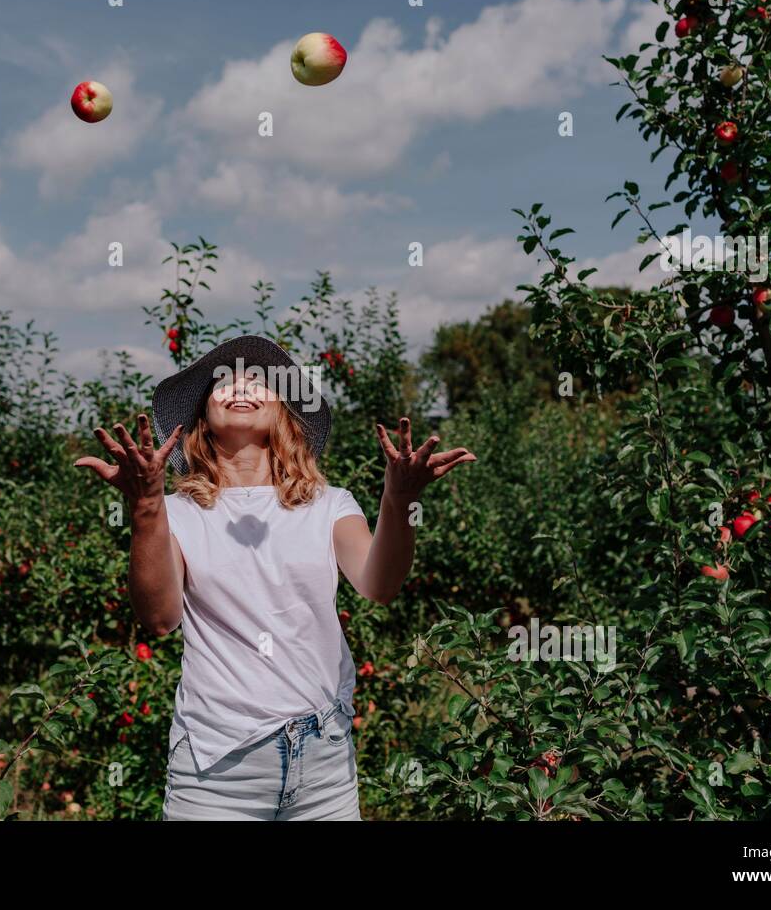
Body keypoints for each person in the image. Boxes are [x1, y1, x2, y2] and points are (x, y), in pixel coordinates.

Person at [74, 335, 475, 820]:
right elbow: (159, 618)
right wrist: (144, 507)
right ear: (202, 418)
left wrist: (400, 496)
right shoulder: (176, 513)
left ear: (284, 411)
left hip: (323, 762)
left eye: (258, 380)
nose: (240, 386)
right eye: (223, 382)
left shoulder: (329, 505)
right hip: (217, 767)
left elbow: (379, 584)